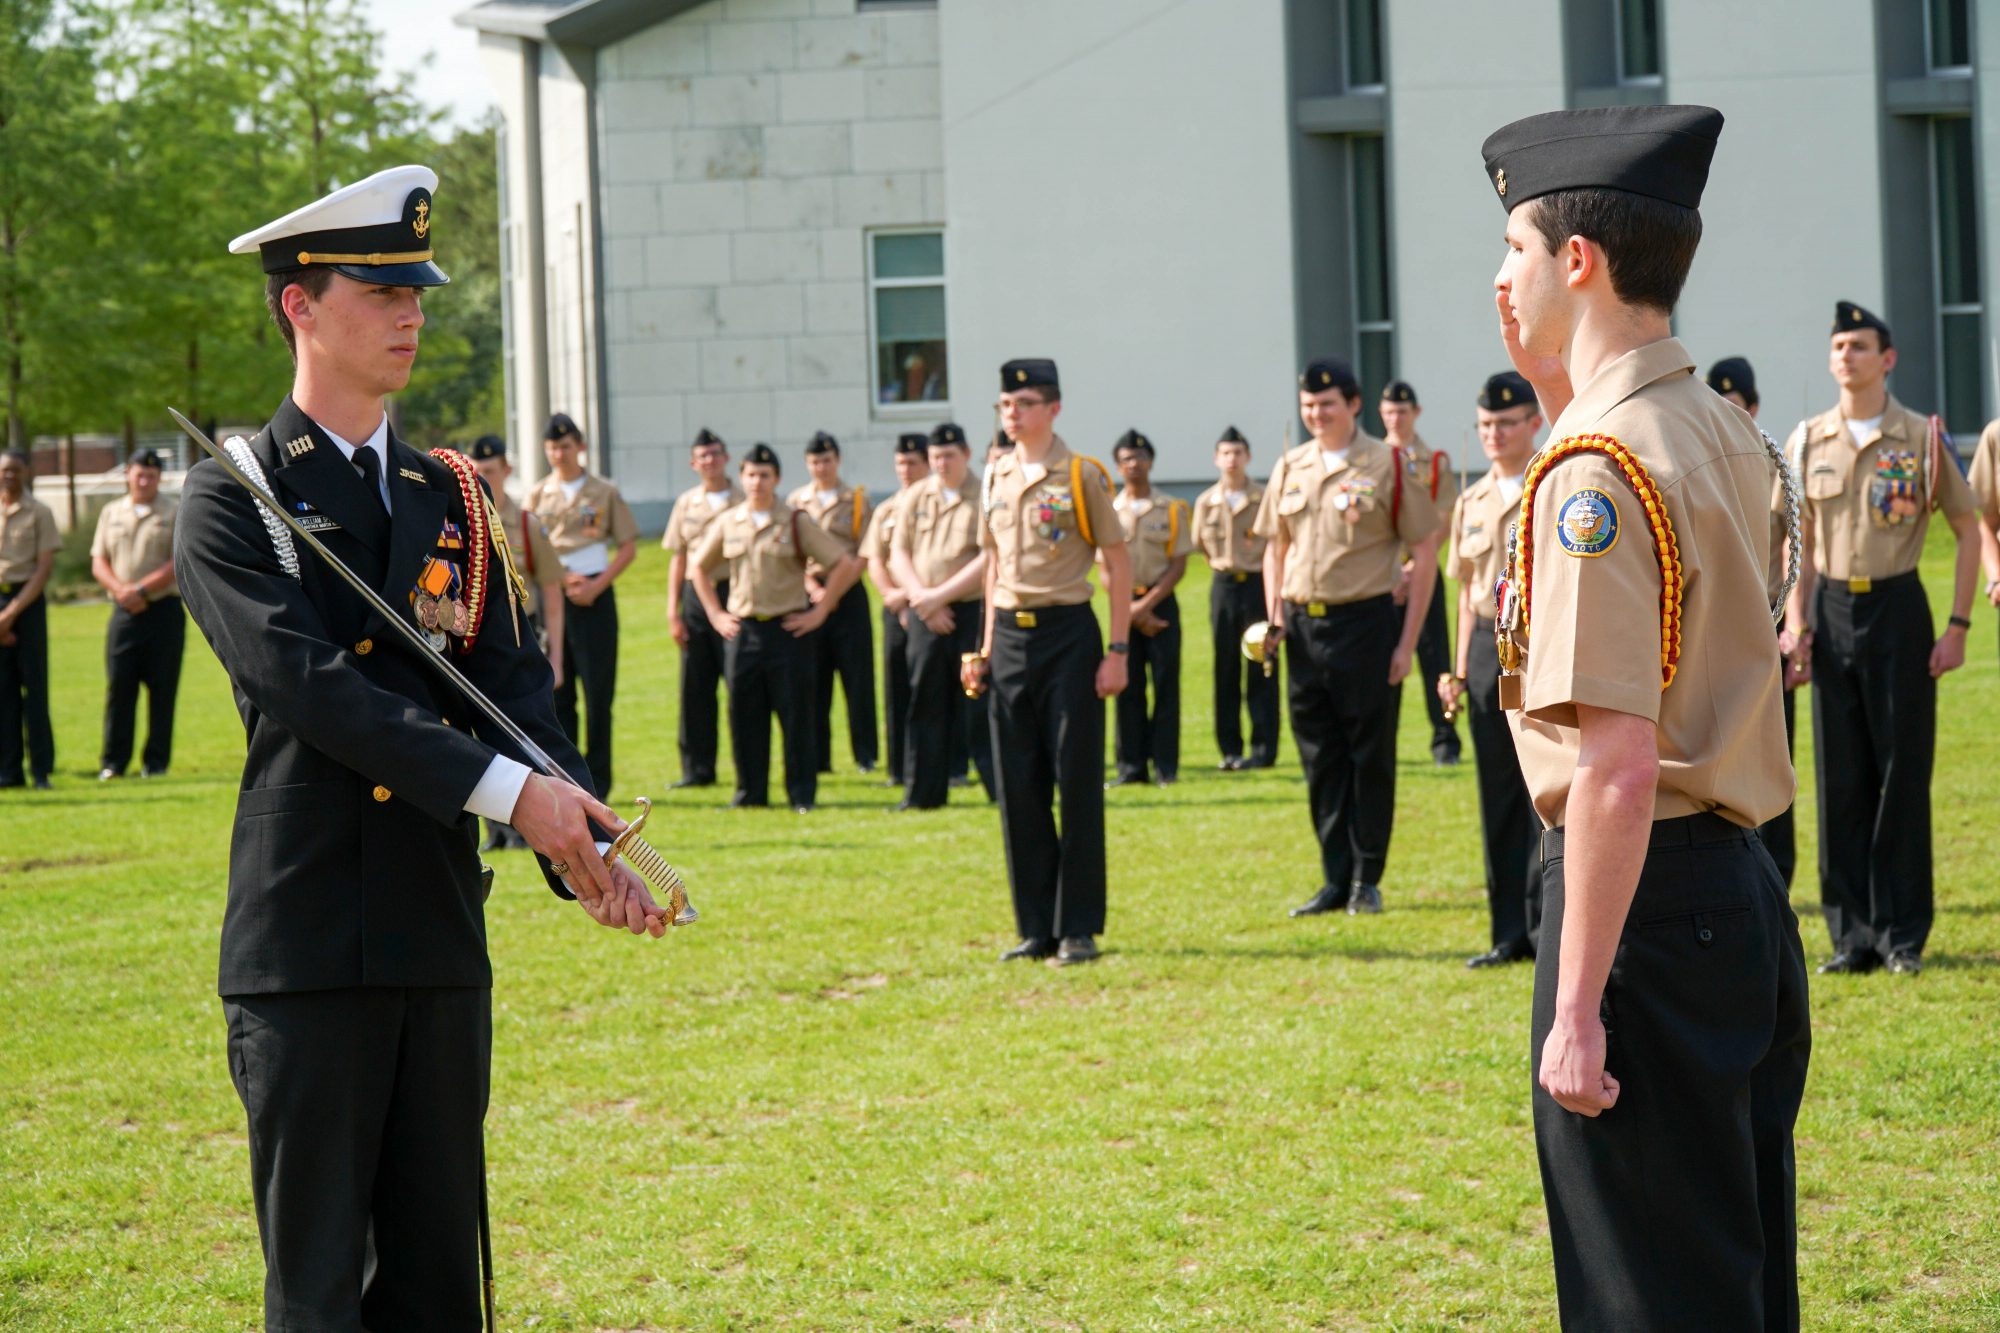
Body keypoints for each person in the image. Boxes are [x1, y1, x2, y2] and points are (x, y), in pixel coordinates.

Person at [178, 163, 669, 1332]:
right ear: (299, 302)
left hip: (437, 929)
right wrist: (511, 794)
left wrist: (574, 834)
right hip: (308, 946)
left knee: (444, 1281)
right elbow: (316, 691)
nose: (411, 312)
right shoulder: (231, 496)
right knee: (320, 1294)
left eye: (418, 290)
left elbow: (511, 692)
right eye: (380, 287)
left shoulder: (449, 493)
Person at [1484, 104, 1810, 1327]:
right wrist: (1554, 390)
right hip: (1733, 891)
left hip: (1637, 906)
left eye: (1517, 245)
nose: (1501, 275)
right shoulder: (1721, 427)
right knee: (1732, 1267)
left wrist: (1573, 1013)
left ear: (1576, 262)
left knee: (1642, 1291)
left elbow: (1615, 762)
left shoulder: (1592, 473)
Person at [1781, 301, 1980, 976]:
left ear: (1887, 359)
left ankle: (1901, 934)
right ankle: (1851, 935)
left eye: (1860, 345)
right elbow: (1799, 549)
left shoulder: (1920, 436)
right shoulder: (1808, 440)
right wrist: (1796, 623)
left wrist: (1958, 627)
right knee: (1840, 777)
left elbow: (1967, 525)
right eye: (1839, 345)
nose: (1846, 356)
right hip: (1832, 609)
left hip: (1899, 610)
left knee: (1901, 773)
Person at [1258, 358, 1441, 920]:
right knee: (1320, 758)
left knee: (1369, 756)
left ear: (1354, 404)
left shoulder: (1385, 464)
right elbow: (1275, 546)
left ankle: (1367, 876)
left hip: (1365, 625)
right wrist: (1273, 617)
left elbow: (1426, 548)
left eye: (1327, 405)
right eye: (1309, 406)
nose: (1316, 414)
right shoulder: (1291, 466)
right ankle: (1334, 877)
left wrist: (1407, 644)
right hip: (1302, 628)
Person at [962, 359, 1129, 965]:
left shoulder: (1081, 473)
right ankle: (1035, 925)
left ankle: (1077, 925)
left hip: (1068, 637)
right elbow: (992, 566)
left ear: (1054, 409)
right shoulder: (995, 474)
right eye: (1006, 405)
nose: (1013, 414)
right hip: (1008, 637)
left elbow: (1117, 560)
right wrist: (981, 648)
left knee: (1075, 778)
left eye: (1025, 403)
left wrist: (1118, 650)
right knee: (1018, 784)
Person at [690, 442, 862, 812]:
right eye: (751, 474)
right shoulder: (729, 521)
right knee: (744, 715)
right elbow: (698, 569)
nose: (757, 482)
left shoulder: (795, 520)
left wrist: (820, 612)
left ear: (778, 479)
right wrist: (717, 615)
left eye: (765, 475)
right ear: (742, 477)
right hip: (744, 632)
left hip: (788, 631)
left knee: (796, 714)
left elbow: (843, 564)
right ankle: (750, 793)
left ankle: (801, 794)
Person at [1437, 373, 1543, 968]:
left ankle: (1543, 923)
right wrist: (1456, 669)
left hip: (1538, 645)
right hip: (1485, 646)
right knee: (1496, 795)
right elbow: (1463, 592)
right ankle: (1507, 931)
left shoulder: (1550, 484)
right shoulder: (1471, 500)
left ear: (1533, 423)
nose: (1494, 435)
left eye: (1505, 424)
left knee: (1542, 794)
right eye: (1485, 426)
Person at [1707, 357, 1800, 887]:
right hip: (1708, 636)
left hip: (1765, 628)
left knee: (1770, 756)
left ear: (1754, 409)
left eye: (1734, 406)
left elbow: (1794, 545)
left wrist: (1792, 624)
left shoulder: (1774, 468)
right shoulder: (1691, 464)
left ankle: (1775, 876)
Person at [526, 412, 637, 798]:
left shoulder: (603, 491)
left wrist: (596, 585)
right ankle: (572, 776)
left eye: (566, 446)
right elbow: (532, 548)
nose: (560, 453)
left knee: (598, 692)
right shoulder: (539, 494)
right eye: (553, 447)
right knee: (559, 691)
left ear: (581, 447)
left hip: (594, 597)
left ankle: (601, 778)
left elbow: (627, 546)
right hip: (555, 596)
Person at [467, 434, 566, 851]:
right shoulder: (461, 521)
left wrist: (557, 654)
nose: (479, 478)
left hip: (521, 633)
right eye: (475, 470)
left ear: (506, 471)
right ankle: (496, 830)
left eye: (488, 471)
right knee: (477, 737)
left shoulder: (526, 523)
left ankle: (531, 826)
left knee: (523, 735)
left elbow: (552, 591)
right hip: (474, 639)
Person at [892, 422, 994, 808]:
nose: (941, 463)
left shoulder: (985, 494)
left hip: (968, 610)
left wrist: (939, 597)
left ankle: (999, 789)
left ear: (966, 455)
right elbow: (898, 552)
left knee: (978, 702)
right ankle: (923, 794)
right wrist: (922, 599)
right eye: (935, 456)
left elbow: (990, 556)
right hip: (925, 614)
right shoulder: (917, 495)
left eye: (949, 455)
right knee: (924, 702)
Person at [1379, 379, 1463, 765]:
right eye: (1389, 411)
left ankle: (1444, 737)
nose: (1396, 418)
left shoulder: (1435, 462)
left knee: (1434, 656)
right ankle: (1382, 738)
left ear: (1416, 414)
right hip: (1381, 577)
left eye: (1402, 411)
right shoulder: (1372, 460)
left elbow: (1443, 519)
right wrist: (1394, 570)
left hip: (1421, 573)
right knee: (1380, 657)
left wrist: (1414, 569)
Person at [90, 449, 184, 781]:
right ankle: (113, 763)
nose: (144, 480)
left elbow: (178, 561)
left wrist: (140, 590)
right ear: (127, 473)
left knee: (162, 689)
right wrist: (121, 591)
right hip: (123, 612)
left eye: (152, 475)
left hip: (162, 611)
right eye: (139, 473)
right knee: (120, 687)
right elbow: (98, 560)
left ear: (160, 478)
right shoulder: (111, 512)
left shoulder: (175, 511)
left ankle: (155, 763)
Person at [1105, 429, 1190, 787]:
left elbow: (1179, 564)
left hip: (1161, 607)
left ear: (1151, 462)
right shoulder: (1109, 511)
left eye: (1139, 458)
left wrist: (1147, 605)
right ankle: (1130, 767)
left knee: (1165, 686)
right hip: (1125, 607)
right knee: (1128, 687)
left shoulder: (1171, 508)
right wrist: (1132, 610)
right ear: (1118, 466)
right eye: (1125, 459)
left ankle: (1165, 766)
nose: (1133, 465)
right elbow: (1105, 567)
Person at [660, 428, 742, 790]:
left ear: (727, 458)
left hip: (735, 592)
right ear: (694, 463)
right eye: (702, 456)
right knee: (695, 686)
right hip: (695, 596)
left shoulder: (745, 498)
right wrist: (672, 611)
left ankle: (747, 768)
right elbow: (679, 558)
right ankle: (698, 769)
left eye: (715, 454)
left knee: (740, 684)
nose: (710, 461)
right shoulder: (686, 503)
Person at [790, 431, 877, 774]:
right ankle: (820, 757)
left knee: (857, 679)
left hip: (848, 592)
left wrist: (834, 591)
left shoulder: (855, 500)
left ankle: (865, 754)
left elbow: (864, 552)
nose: (821, 467)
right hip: (808, 590)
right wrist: (812, 585)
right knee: (814, 678)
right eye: (814, 462)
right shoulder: (797, 501)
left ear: (837, 461)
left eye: (827, 460)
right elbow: (791, 555)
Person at [1193, 426, 1277, 770]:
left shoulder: (1263, 498)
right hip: (1224, 586)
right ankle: (1229, 748)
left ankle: (1262, 749)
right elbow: (1199, 544)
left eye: (1238, 453)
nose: (1232, 459)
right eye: (1225, 453)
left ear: (1249, 457)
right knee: (1224, 667)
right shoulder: (1205, 501)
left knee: (1261, 664)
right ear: (1216, 458)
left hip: (1257, 583)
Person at [867, 434, 931, 786]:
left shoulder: (934, 504)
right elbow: (875, 559)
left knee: (933, 688)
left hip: (932, 605)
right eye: (901, 463)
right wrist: (892, 595)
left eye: (913, 463)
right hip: (896, 607)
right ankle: (898, 768)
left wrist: (913, 597)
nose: (906, 470)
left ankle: (948, 764)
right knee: (896, 688)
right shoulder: (887, 509)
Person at [0, 448, 59, 789]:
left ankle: (40, 770)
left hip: (28, 601)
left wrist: (10, 615)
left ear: (26, 471)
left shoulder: (40, 512)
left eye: (15, 470)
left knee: (35, 689)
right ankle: (9, 770)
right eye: (5, 469)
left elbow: (43, 568)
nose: (9, 475)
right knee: (3, 692)